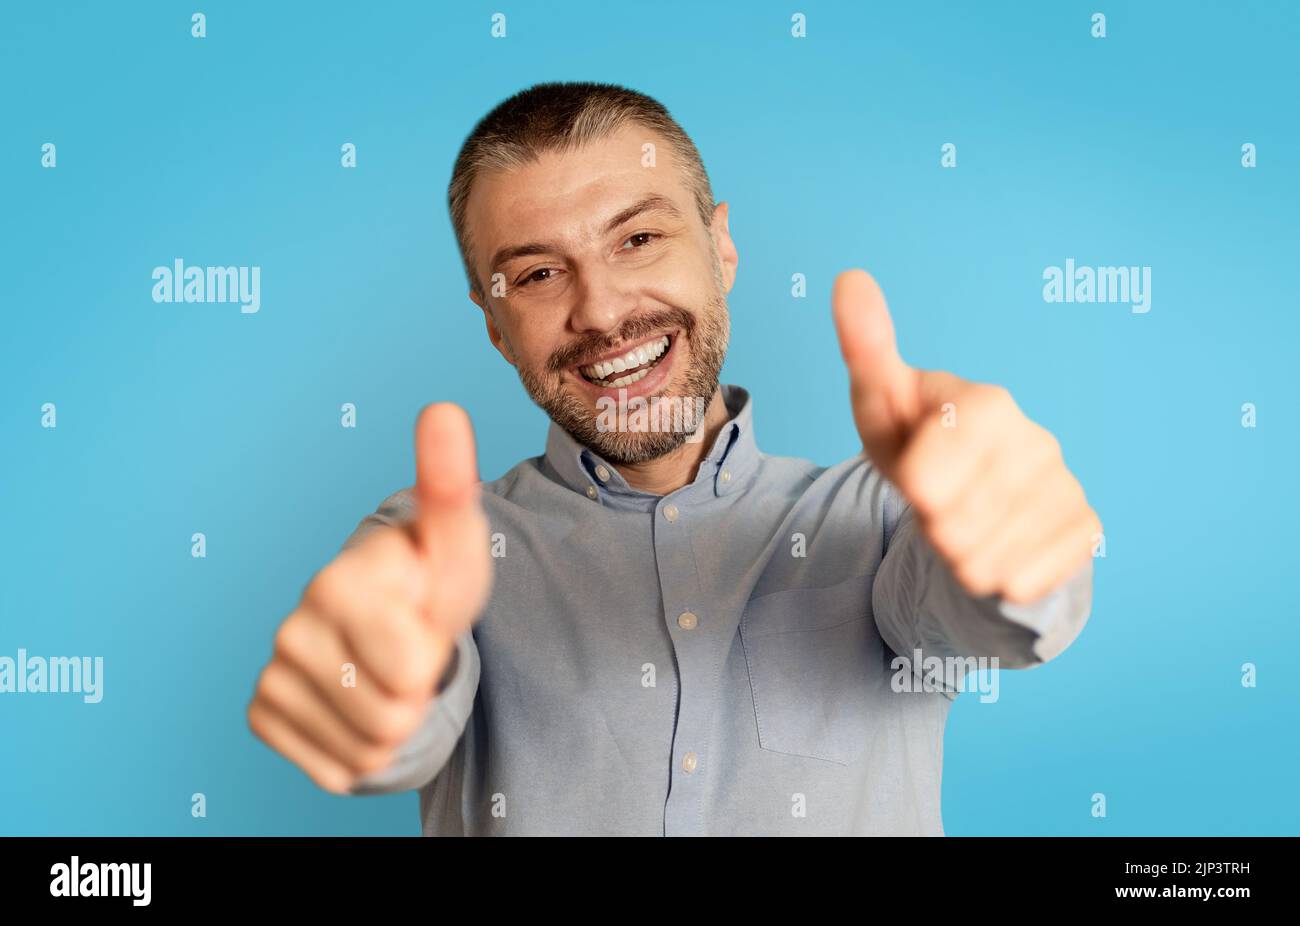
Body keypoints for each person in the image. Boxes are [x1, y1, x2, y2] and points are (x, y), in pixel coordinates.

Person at [247, 82, 1100, 835]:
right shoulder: (436, 546)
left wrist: (1013, 556)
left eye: (638, 239)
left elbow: (982, 614)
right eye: (540, 275)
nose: (603, 309)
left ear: (721, 249)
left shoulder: (880, 522)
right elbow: (396, 706)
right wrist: (370, 685)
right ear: (494, 324)